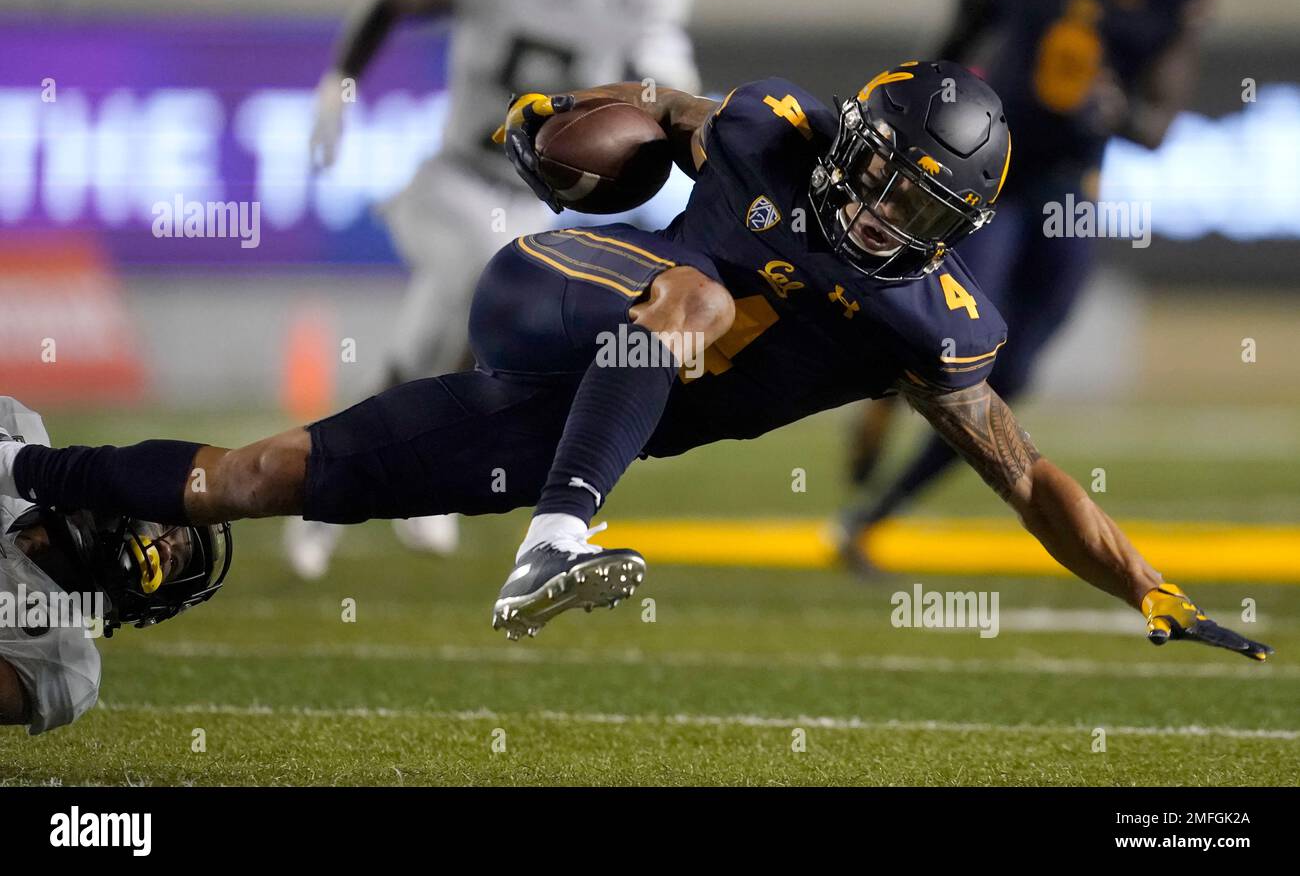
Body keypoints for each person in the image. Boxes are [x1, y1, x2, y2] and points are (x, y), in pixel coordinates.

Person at [0, 62, 1268, 663]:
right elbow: (660, 105)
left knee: (253, 478)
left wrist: (1145, 584)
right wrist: (552, 124)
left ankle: (30, 466)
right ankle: (555, 542)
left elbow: (1027, 474)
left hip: (554, 416)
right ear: (853, 139)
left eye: (915, 206)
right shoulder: (774, 129)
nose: (882, 210)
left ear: (950, 227)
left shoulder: (929, 322)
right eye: (876, 173)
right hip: (554, 296)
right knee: (694, 297)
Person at [291, 0, 700, 576]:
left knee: (446, 352)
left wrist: (664, 85)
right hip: (453, 180)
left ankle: (347, 474)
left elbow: (666, 78)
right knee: (467, 281)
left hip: (533, 200)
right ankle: (366, 481)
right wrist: (340, 81)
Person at [838, 0, 1215, 568]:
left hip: (1068, 187)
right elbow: (954, 45)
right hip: (986, 174)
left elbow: (1156, 126)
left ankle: (876, 515)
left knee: (1014, 368)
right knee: (952, 335)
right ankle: (887, 394)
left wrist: (1119, 112)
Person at [0, 398, 233, 734]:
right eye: (170, 527)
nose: (166, 551)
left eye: (177, 563)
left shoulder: (65, 664)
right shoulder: (18, 428)